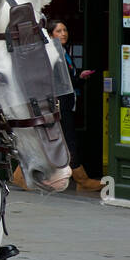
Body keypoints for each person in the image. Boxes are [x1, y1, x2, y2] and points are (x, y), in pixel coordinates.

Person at [44, 20, 102, 192]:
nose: (63, 33)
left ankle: (20, 177)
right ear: (50, 34)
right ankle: (82, 181)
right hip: (58, 104)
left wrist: (79, 78)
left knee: (56, 140)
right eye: (59, 31)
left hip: (65, 103)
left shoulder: (63, 52)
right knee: (67, 141)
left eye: (65, 30)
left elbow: (65, 80)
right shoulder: (52, 53)